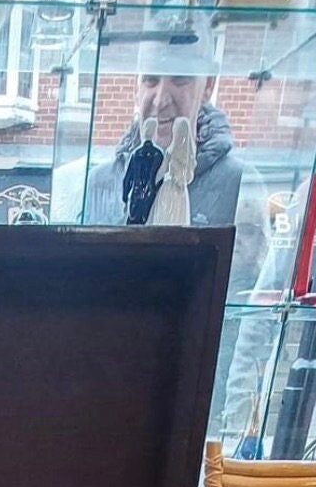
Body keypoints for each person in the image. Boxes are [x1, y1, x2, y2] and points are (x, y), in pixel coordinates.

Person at [50, 35, 269, 299]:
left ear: (208, 85)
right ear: (136, 86)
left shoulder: (240, 185)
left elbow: (249, 301)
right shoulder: (98, 182)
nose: (161, 98)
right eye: (151, 79)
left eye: (180, 79)